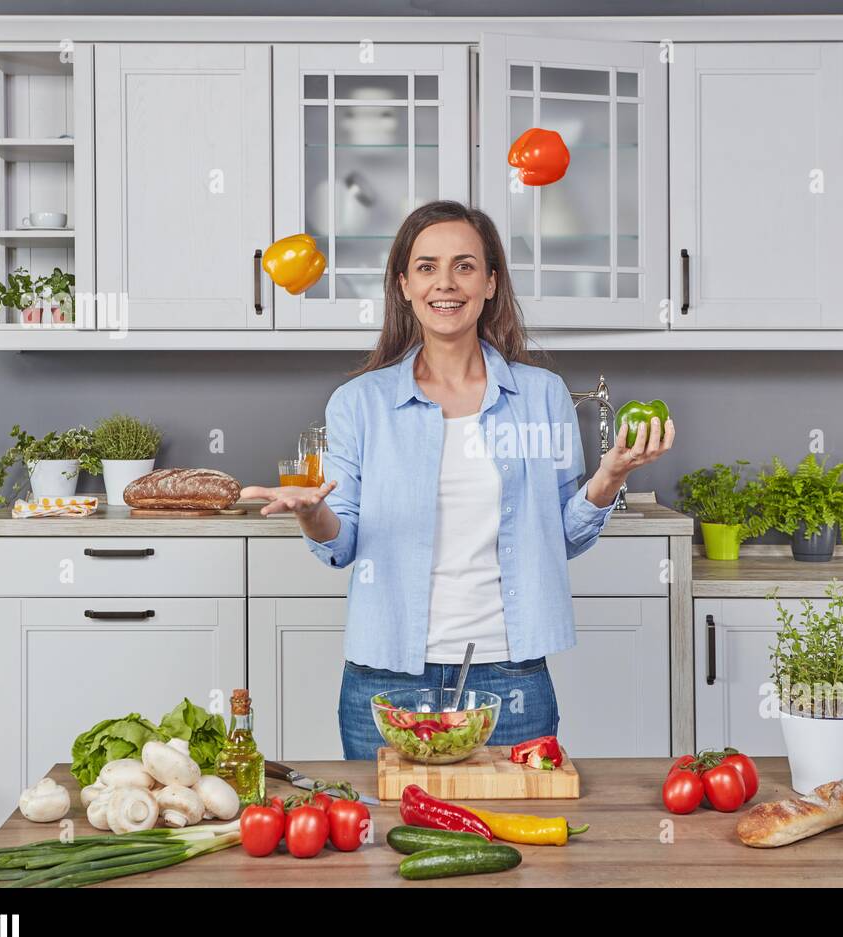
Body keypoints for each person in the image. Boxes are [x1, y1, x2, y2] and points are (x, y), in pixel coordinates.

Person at [241, 200, 675, 760]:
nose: (445, 283)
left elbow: (564, 537)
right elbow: (341, 543)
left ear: (491, 282)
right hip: (387, 676)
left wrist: (610, 476)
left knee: (514, 837)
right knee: (383, 842)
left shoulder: (542, 396)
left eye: (465, 266)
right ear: (403, 284)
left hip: (510, 671)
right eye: (426, 267)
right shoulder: (359, 404)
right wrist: (310, 513)